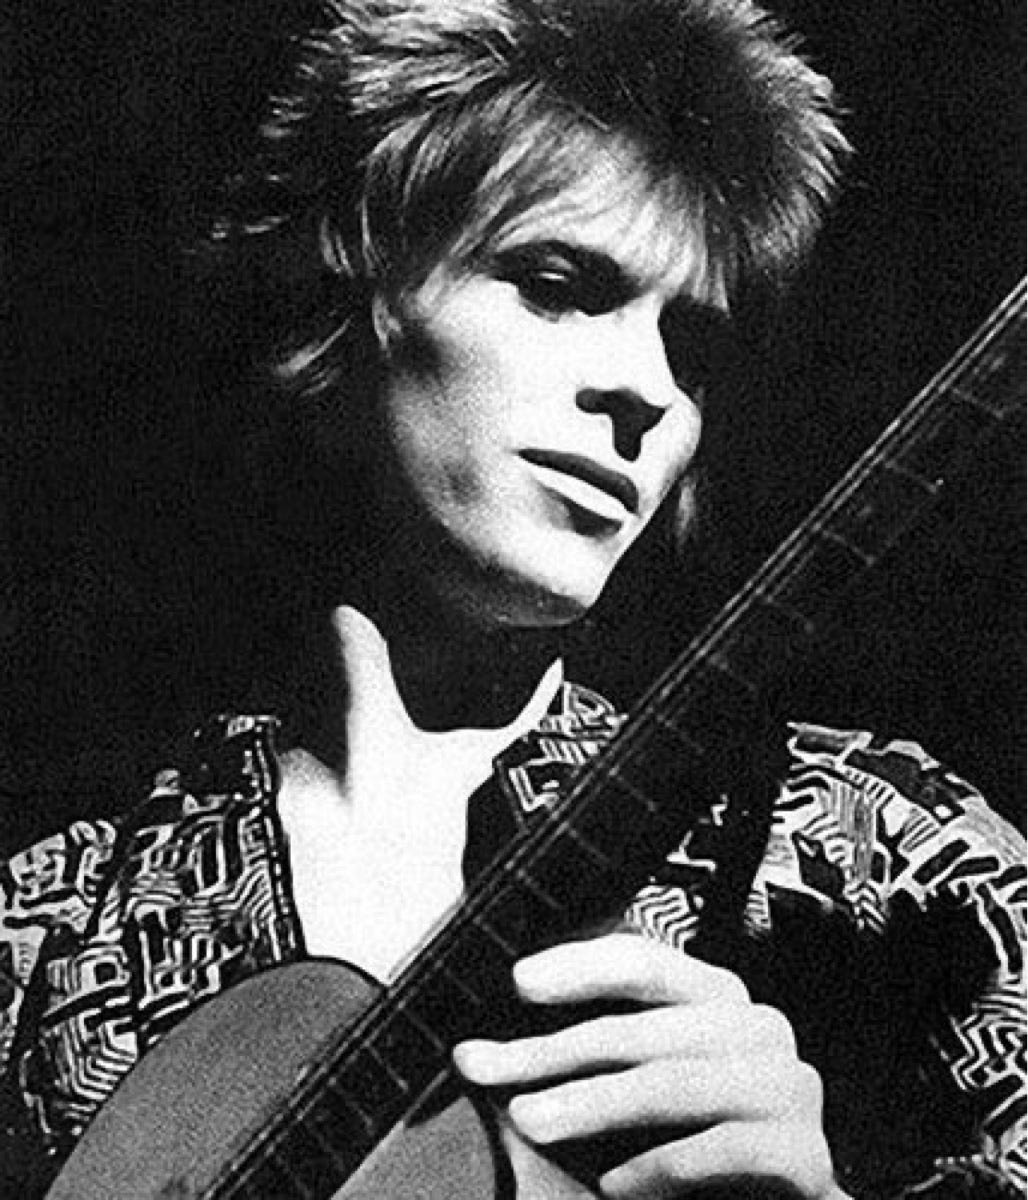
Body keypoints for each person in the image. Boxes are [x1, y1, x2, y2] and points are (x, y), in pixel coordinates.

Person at [0, 0, 1023, 1196]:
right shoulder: (46, 931)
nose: (644, 388)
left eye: (690, 350)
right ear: (345, 305)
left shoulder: (876, 848)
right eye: (555, 285)